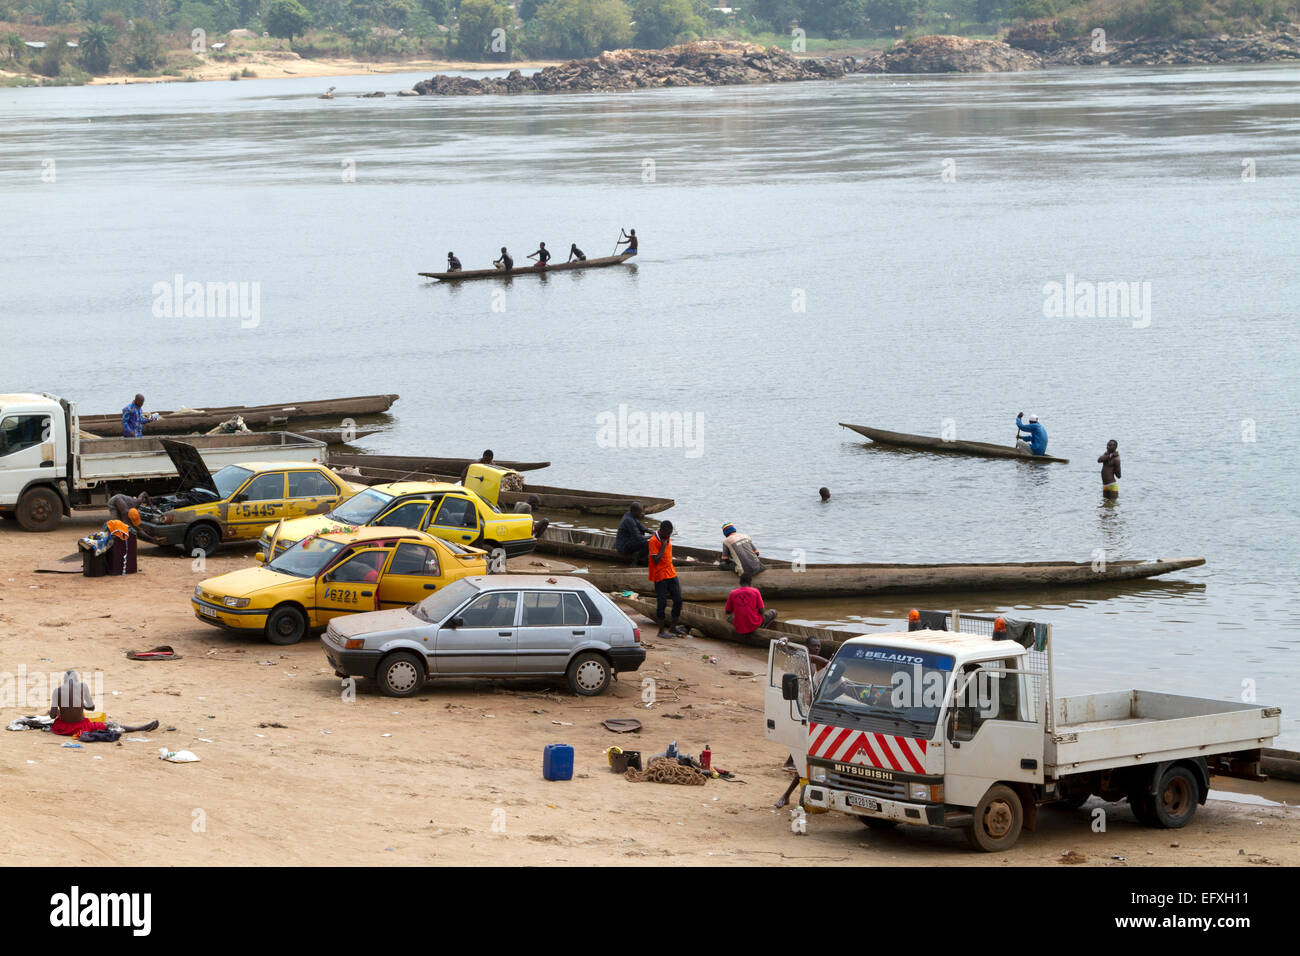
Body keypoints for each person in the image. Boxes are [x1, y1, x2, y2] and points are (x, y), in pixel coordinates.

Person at [49, 670, 158, 738]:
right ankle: (139, 728)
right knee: (108, 725)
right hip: (80, 727)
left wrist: (60, 710)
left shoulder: (57, 691)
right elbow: (91, 708)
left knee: (60, 714)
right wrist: (82, 706)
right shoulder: (83, 686)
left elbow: (52, 715)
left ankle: (139, 728)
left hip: (62, 729)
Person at [648, 520, 683, 637]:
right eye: (667, 533)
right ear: (661, 531)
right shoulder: (653, 541)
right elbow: (656, 560)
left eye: (670, 534)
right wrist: (662, 546)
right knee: (661, 603)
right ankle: (661, 631)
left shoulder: (666, 536)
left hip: (671, 573)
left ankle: (673, 628)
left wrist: (665, 542)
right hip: (660, 575)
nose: (669, 536)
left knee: (678, 600)